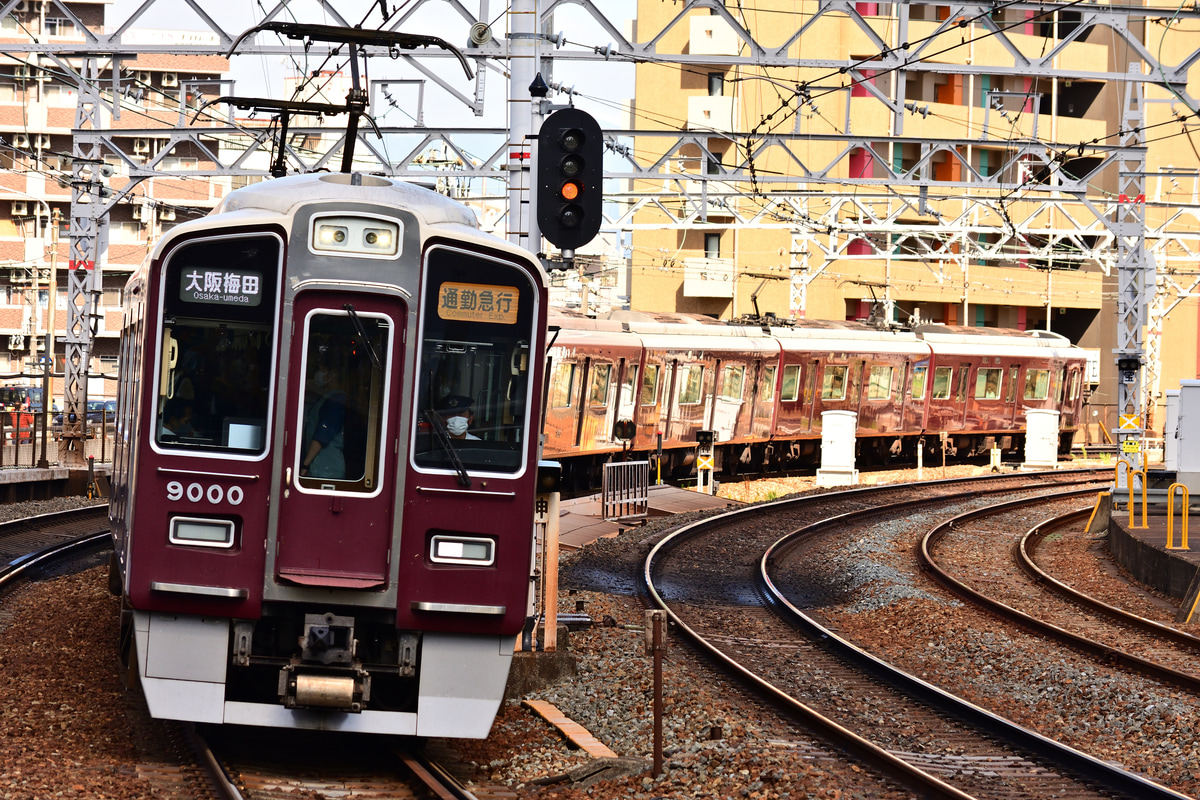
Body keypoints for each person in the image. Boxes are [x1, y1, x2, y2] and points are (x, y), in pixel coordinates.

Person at [300, 351, 347, 479]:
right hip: (319, 466)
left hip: (327, 469)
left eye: (322, 369)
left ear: (333, 374)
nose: (318, 373)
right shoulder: (326, 397)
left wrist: (305, 465)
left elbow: (322, 434)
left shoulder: (336, 402)